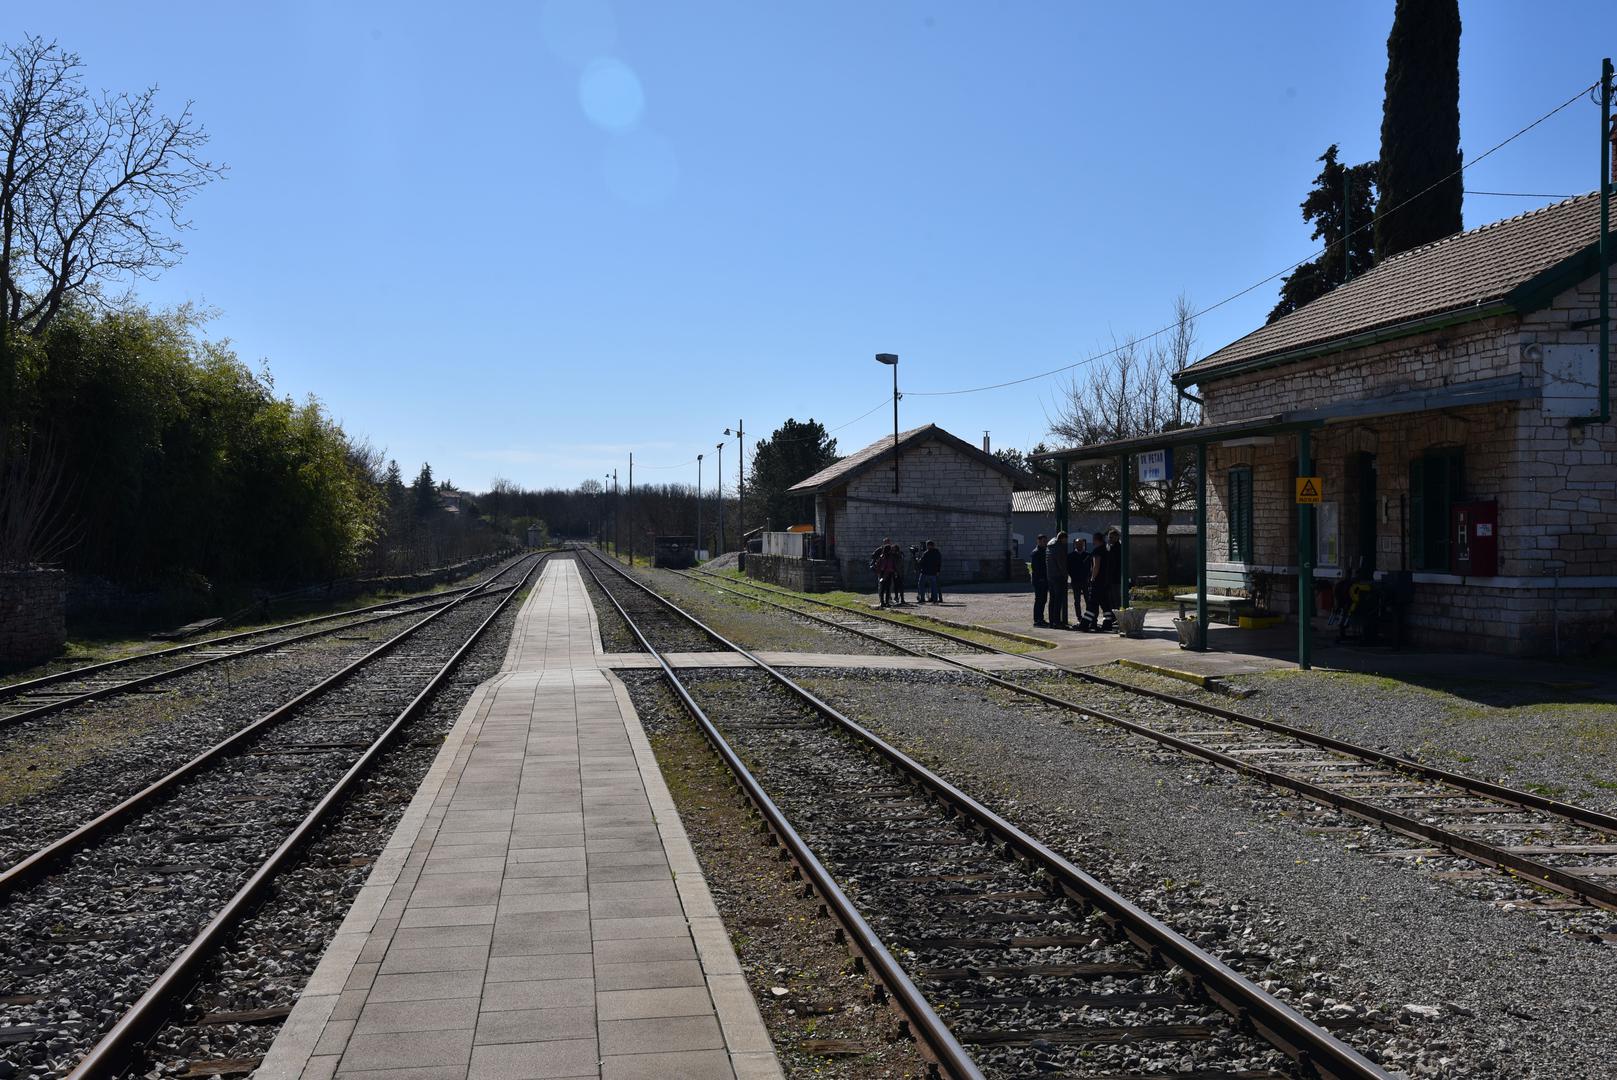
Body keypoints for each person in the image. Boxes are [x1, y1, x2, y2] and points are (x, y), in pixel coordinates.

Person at [1098, 528, 1123, 630]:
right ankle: (1113, 617)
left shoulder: (1117, 548)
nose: (1110, 539)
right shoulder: (1110, 547)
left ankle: (1118, 617)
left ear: (1117, 537)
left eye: (1112, 537)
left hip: (1115, 578)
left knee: (1116, 599)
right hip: (1110, 578)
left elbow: (1114, 564)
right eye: (1109, 537)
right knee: (1111, 599)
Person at [1046, 530, 1069, 628]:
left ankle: (1052, 621)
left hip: (1050, 576)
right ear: (1062, 538)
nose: (1066, 542)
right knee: (1058, 600)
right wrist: (1065, 575)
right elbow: (1061, 564)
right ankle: (1057, 622)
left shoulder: (1049, 546)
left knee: (1052, 599)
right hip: (1059, 577)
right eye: (1065, 539)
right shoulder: (1059, 548)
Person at [1069, 536, 1092, 632]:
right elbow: (1069, 568)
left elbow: (1091, 567)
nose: (1080, 546)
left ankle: (1088, 617)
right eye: (1078, 544)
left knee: (1088, 600)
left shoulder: (1087, 555)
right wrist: (1073, 577)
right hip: (1076, 581)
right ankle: (1079, 617)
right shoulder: (1071, 556)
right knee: (1077, 600)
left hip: (1085, 581)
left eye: (1081, 544)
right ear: (1075, 544)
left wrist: (1089, 578)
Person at [1030, 534, 1049, 626]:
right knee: (1039, 600)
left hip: (1045, 579)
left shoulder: (1045, 551)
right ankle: (1037, 619)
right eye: (1043, 541)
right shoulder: (1036, 552)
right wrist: (1041, 578)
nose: (1045, 542)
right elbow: (1036, 568)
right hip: (1039, 580)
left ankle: (1040, 618)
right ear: (1038, 541)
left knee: (1043, 599)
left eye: (1046, 541)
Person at [872, 538, 896, 607]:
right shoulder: (881, 554)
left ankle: (887, 601)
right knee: (882, 588)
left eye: (888, 542)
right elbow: (874, 557)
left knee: (888, 588)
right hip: (882, 573)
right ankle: (882, 601)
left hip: (889, 573)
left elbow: (893, 564)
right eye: (886, 542)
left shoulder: (891, 555)